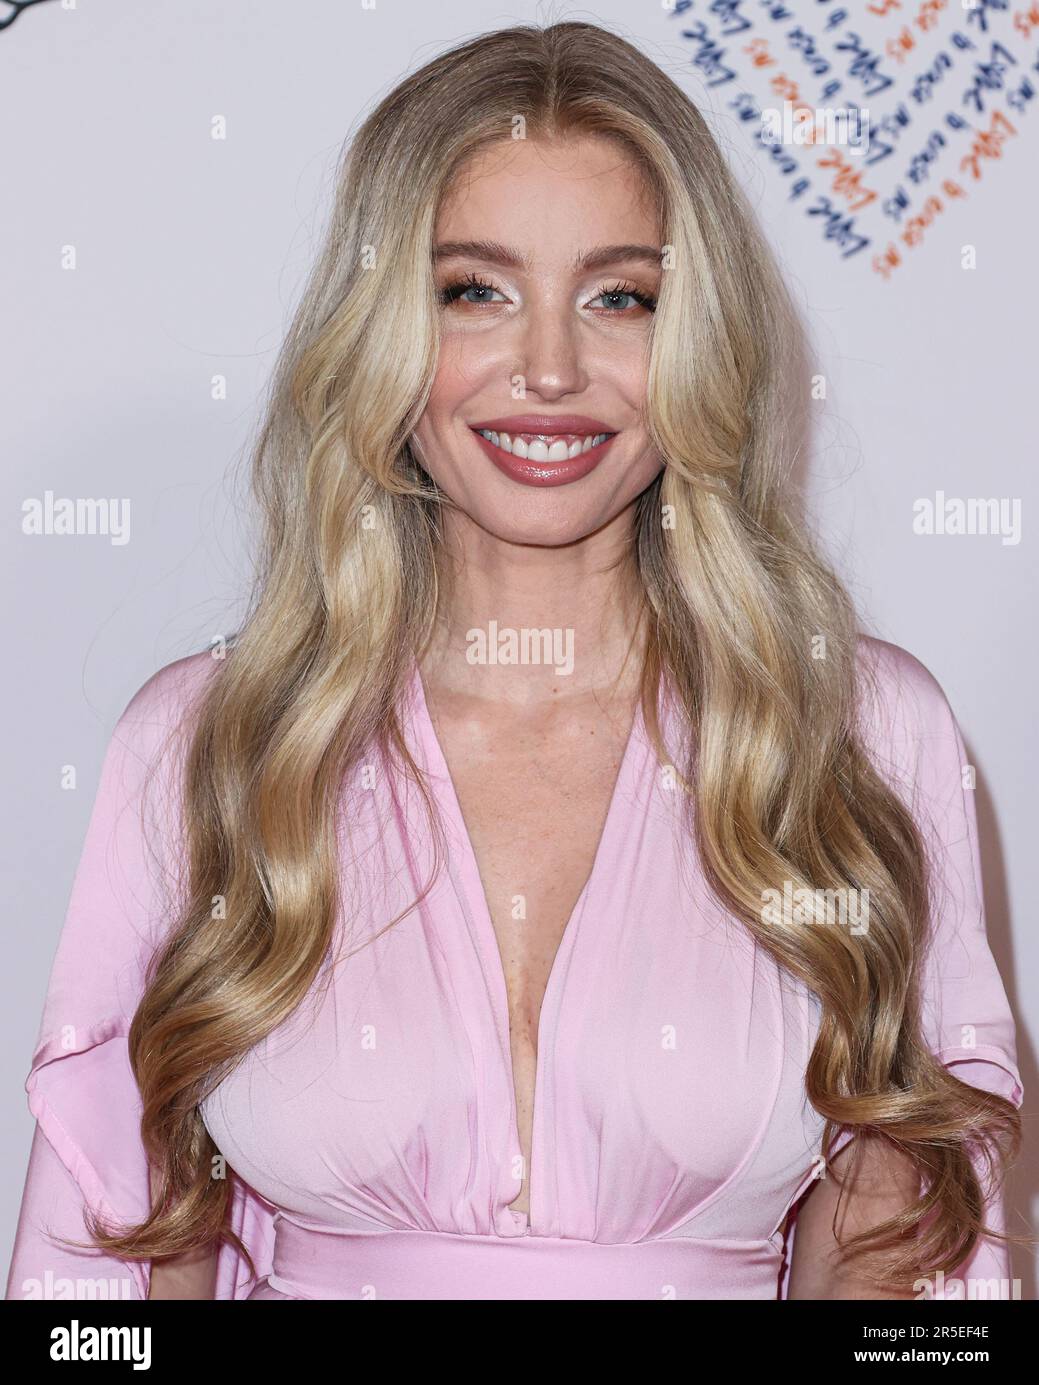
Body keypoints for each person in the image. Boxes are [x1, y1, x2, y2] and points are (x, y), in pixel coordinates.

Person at [6, 21, 1024, 1301]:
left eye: (620, 297)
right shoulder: (215, 739)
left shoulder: (858, 730)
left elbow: (913, 1279)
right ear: (381, 327)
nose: (549, 369)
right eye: (474, 290)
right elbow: (91, 1295)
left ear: (696, 336)